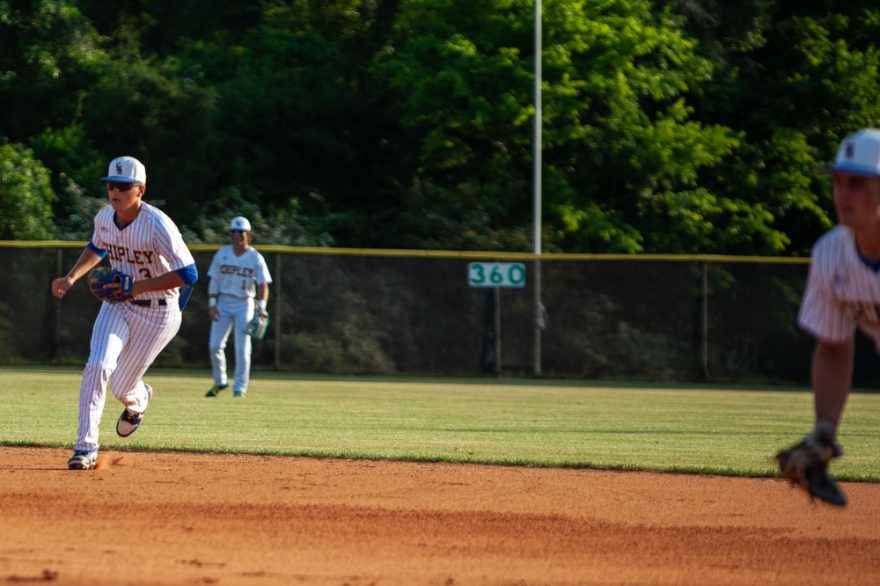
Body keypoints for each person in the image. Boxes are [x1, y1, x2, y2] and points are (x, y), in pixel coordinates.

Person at [51, 156, 198, 471]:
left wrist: (138, 287)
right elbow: (97, 247)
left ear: (140, 190)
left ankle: (138, 399)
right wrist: (70, 278)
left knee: (121, 386)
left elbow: (189, 274)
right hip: (117, 304)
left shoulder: (157, 225)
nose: (115, 192)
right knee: (97, 365)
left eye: (123, 186)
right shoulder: (105, 217)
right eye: (110, 186)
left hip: (159, 313)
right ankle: (85, 447)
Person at [777, 128, 880, 506]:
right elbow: (834, 347)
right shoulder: (830, 254)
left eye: (857, 183)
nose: (842, 194)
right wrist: (824, 430)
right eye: (838, 182)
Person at [204, 216, 272, 398]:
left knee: (243, 348)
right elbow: (214, 280)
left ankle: (240, 388)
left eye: (241, 232)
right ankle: (220, 381)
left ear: (248, 235)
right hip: (223, 303)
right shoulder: (222, 254)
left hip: (245, 303)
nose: (237, 235)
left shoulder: (255, 257)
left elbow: (263, 285)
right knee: (214, 345)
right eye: (234, 232)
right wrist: (212, 305)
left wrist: (262, 307)